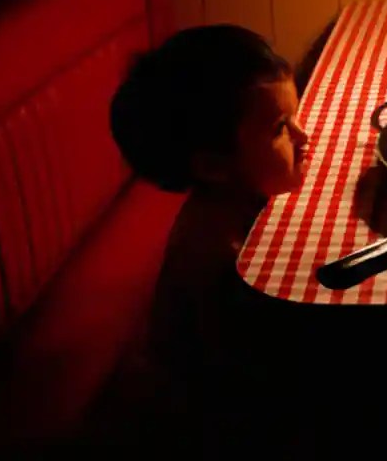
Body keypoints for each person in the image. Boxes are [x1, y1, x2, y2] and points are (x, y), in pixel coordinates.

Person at [108, 24, 311, 447]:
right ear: (214, 167)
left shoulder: (238, 199)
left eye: (295, 117)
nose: (303, 137)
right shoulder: (219, 260)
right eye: (278, 128)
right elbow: (245, 387)